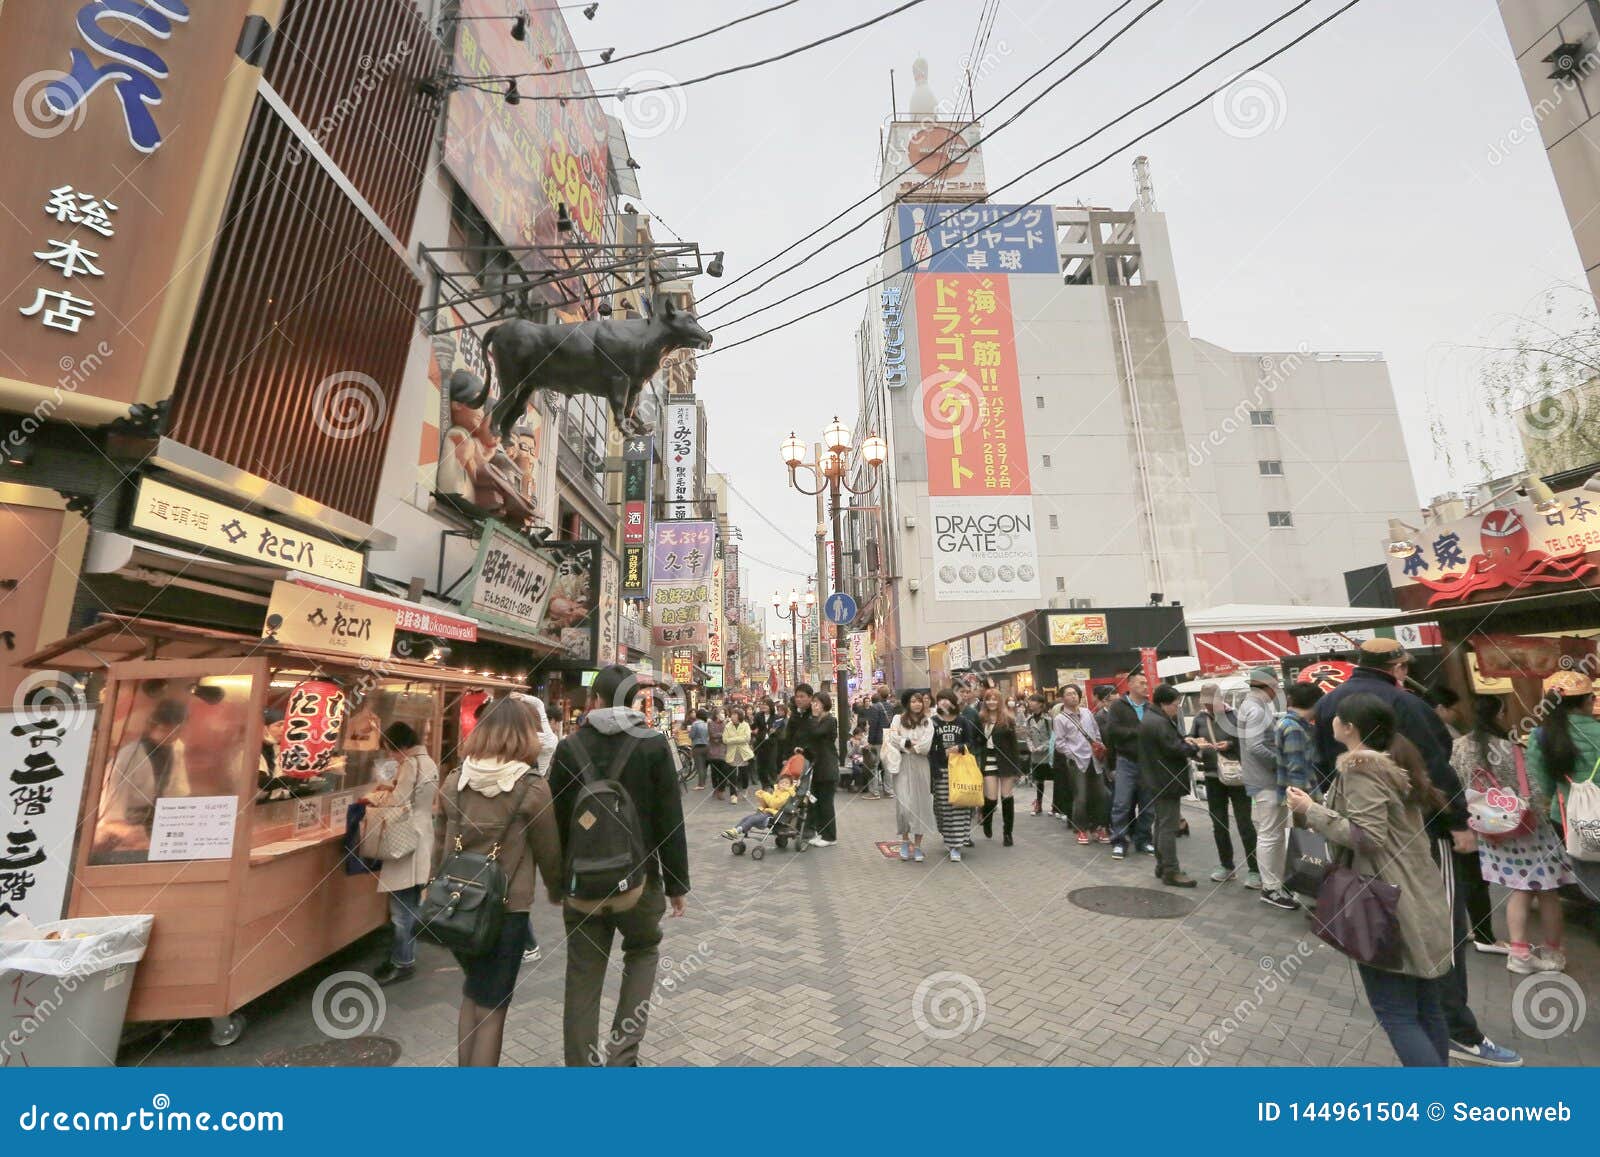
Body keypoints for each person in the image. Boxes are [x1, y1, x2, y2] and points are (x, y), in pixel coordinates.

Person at [1314, 638, 1518, 1068]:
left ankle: (1441, 1030)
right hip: (1415, 836)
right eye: (1404, 664)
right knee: (1436, 931)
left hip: (1358, 855)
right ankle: (1459, 1030)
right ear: (1397, 667)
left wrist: (1316, 812)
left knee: (1386, 931)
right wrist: (1458, 820)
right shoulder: (1402, 704)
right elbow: (1436, 764)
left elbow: (1322, 768)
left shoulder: (1330, 701)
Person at [1287, 694, 1454, 1067]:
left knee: (1396, 1011)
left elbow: (1368, 836)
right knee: (1427, 1007)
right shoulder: (1394, 759)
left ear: (1349, 728)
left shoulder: (1360, 769)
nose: (1331, 720)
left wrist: (1309, 811)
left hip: (1385, 900)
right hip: (1417, 891)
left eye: (1339, 717)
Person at [550, 665, 690, 1067]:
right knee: (642, 952)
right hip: (639, 881)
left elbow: (554, 820)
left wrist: (558, 881)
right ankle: (622, 1058)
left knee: (582, 973)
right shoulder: (652, 744)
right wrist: (677, 884)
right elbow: (670, 819)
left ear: (593, 701)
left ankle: (579, 1064)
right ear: (633, 701)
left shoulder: (569, 748)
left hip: (582, 885)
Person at [439, 697, 563, 1066]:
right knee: (493, 1005)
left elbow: (442, 848)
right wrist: (557, 891)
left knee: (473, 994)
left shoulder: (454, 781)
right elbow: (549, 853)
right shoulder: (531, 788)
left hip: (458, 906)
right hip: (506, 910)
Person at [1516, 673, 1595, 969]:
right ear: (1590, 701)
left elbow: (1543, 787)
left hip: (1571, 822)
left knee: (1591, 884)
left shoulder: (1540, 736)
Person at [370, 723, 439, 986]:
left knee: (401, 909)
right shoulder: (428, 762)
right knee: (410, 902)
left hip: (405, 839)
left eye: (390, 750)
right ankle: (402, 956)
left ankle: (403, 961)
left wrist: (374, 798)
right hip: (421, 836)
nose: (390, 756)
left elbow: (398, 800)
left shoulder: (410, 765)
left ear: (399, 746)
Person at [1238, 667, 1296, 912]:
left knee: (1271, 833)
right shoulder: (1256, 708)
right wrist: (1282, 761)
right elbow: (1255, 746)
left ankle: (1275, 883)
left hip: (1260, 780)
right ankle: (1270, 887)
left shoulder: (1249, 705)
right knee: (1271, 834)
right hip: (1266, 782)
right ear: (1269, 685)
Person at [1191, 683, 1254, 886]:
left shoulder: (1235, 717)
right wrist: (1196, 744)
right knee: (1218, 823)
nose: (1208, 708)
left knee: (1244, 823)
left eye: (1211, 703)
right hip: (1211, 775)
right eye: (1206, 704)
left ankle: (1254, 869)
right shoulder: (1200, 719)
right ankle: (1226, 865)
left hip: (1236, 776)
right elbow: (1191, 741)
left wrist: (1230, 744)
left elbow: (1247, 743)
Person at [1139, 683, 1201, 887]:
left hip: (1157, 779)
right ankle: (1171, 870)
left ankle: (1162, 865)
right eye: (1175, 704)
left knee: (1161, 823)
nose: (1177, 708)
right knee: (1168, 826)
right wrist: (1193, 746)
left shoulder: (1153, 717)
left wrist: (1186, 742)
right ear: (1164, 704)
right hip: (1165, 780)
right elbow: (1173, 748)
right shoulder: (1158, 722)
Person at [100, 698, 191, 829]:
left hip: (163, 819)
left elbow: (178, 792)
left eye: (177, 731)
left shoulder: (177, 748)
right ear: (152, 726)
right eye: (166, 729)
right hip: (128, 821)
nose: (172, 736)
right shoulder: (127, 757)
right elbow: (111, 815)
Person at [1271, 679, 1323, 888]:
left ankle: (1305, 885)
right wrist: (1303, 802)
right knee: (1310, 845)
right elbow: (1296, 768)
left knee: (1304, 844)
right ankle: (1309, 888)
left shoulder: (1285, 723)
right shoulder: (1294, 728)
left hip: (1296, 794)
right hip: (1304, 795)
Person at [1103, 672, 1153, 860]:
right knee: (1121, 804)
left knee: (1148, 805)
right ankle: (1119, 841)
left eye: (1146, 683)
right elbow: (1112, 732)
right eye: (1141, 683)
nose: (1145, 686)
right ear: (1130, 685)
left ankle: (1144, 840)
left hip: (1148, 763)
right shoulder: (1118, 706)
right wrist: (1138, 732)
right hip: (1126, 761)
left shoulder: (1150, 707)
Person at [884, 689, 935, 862]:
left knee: (920, 805)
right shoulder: (898, 719)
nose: (917, 704)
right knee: (904, 805)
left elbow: (926, 746)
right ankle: (905, 841)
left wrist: (910, 745)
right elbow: (892, 738)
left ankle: (918, 846)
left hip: (921, 765)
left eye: (919, 701)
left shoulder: (927, 722)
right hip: (902, 764)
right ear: (907, 703)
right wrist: (907, 743)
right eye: (913, 701)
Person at [1054, 684, 1108, 844]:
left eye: (1075, 694)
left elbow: (1096, 732)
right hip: (1077, 762)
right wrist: (1073, 755)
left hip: (1094, 760)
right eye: (1069, 694)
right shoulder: (1060, 718)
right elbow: (1060, 743)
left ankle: (1099, 827)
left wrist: (1099, 745)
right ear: (1062, 698)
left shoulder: (1086, 713)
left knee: (1101, 795)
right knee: (1081, 797)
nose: (1073, 696)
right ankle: (1081, 829)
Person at [789, 686, 841, 846]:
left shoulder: (829, 720)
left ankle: (830, 837)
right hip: (817, 768)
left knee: (826, 803)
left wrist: (812, 717)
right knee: (817, 802)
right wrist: (803, 750)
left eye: (817, 703)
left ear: (825, 704)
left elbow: (815, 734)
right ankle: (821, 832)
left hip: (827, 767)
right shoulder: (818, 720)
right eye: (813, 703)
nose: (814, 706)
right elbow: (814, 743)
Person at [930, 688, 978, 860]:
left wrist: (957, 748)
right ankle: (948, 836)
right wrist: (938, 756)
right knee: (942, 808)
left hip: (959, 769)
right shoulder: (933, 721)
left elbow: (971, 743)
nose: (943, 702)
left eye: (946, 699)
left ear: (953, 702)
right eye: (940, 699)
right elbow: (930, 746)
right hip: (941, 769)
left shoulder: (962, 721)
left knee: (959, 806)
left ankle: (955, 845)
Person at [973, 688, 1024, 845]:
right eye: (988, 699)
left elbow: (1014, 746)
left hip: (1006, 762)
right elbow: (976, 741)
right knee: (991, 798)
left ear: (1000, 701)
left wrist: (1018, 769)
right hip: (988, 761)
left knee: (1007, 797)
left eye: (995, 699)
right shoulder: (980, 718)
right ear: (985, 702)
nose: (991, 702)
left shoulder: (1008, 719)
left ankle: (1007, 834)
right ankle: (986, 820)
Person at [721, 762, 801, 840]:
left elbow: (775, 804)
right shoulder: (776, 791)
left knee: (752, 819)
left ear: (790, 786)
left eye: (786, 783)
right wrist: (761, 796)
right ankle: (733, 831)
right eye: (781, 782)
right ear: (778, 784)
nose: (783, 784)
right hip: (766, 811)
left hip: (773, 815)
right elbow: (766, 803)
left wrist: (765, 795)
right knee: (747, 818)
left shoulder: (787, 794)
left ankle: (736, 831)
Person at [1021, 693, 1056, 817]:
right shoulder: (1029, 720)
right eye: (1030, 701)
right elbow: (1028, 736)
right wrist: (1030, 747)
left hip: (1048, 756)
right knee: (1039, 781)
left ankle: (1055, 806)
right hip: (1035, 756)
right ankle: (1039, 804)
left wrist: (1042, 747)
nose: (1030, 703)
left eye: (1033, 701)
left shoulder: (1048, 720)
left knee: (1053, 780)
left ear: (1040, 704)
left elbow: (1052, 738)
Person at [862, 687, 890, 799]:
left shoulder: (875, 707)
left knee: (873, 765)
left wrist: (870, 741)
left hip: (877, 740)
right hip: (888, 739)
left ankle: (874, 792)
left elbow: (873, 725)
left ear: (878, 694)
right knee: (887, 766)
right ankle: (889, 790)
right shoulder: (891, 706)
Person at [724, 706, 754, 797]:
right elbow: (725, 740)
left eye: (734, 714)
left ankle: (745, 788)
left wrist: (732, 739)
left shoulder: (745, 725)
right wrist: (739, 739)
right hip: (732, 753)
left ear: (739, 716)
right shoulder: (728, 726)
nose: (732, 716)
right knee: (732, 775)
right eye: (732, 714)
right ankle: (733, 795)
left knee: (744, 773)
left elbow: (747, 738)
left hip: (743, 753)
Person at [708, 708, 735, 802]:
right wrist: (722, 735)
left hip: (724, 752)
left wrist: (721, 736)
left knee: (724, 772)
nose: (723, 715)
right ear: (716, 715)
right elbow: (712, 735)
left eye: (723, 713)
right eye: (721, 713)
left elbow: (728, 735)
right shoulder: (711, 723)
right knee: (715, 773)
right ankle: (715, 788)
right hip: (713, 752)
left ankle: (721, 790)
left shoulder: (726, 724)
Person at [688, 709, 710, 791]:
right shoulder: (706, 724)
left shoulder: (695, 724)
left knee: (700, 766)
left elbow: (691, 735)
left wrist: (689, 732)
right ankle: (703, 782)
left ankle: (701, 784)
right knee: (704, 766)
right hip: (707, 745)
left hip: (697, 746)